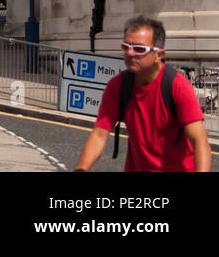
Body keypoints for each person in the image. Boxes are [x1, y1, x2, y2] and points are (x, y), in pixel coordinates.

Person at [74, 16, 211, 172]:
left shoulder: (177, 86)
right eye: (126, 47)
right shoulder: (118, 85)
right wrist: (81, 168)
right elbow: (99, 133)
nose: (131, 53)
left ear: (159, 55)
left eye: (139, 49)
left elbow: (200, 142)